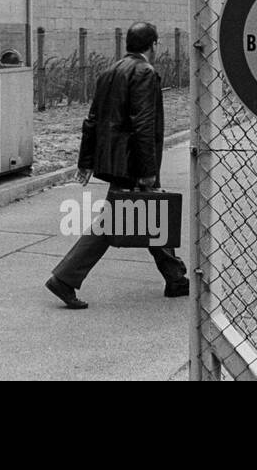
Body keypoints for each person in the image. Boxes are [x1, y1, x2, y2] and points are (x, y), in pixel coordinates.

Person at [45, 21, 188, 309]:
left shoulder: (109, 71)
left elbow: (92, 120)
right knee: (117, 220)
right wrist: (148, 171)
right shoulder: (145, 73)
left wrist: (85, 162)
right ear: (153, 45)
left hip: (114, 161)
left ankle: (175, 277)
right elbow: (143, 124)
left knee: (147, 213)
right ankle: (64, 278)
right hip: (134, 162)